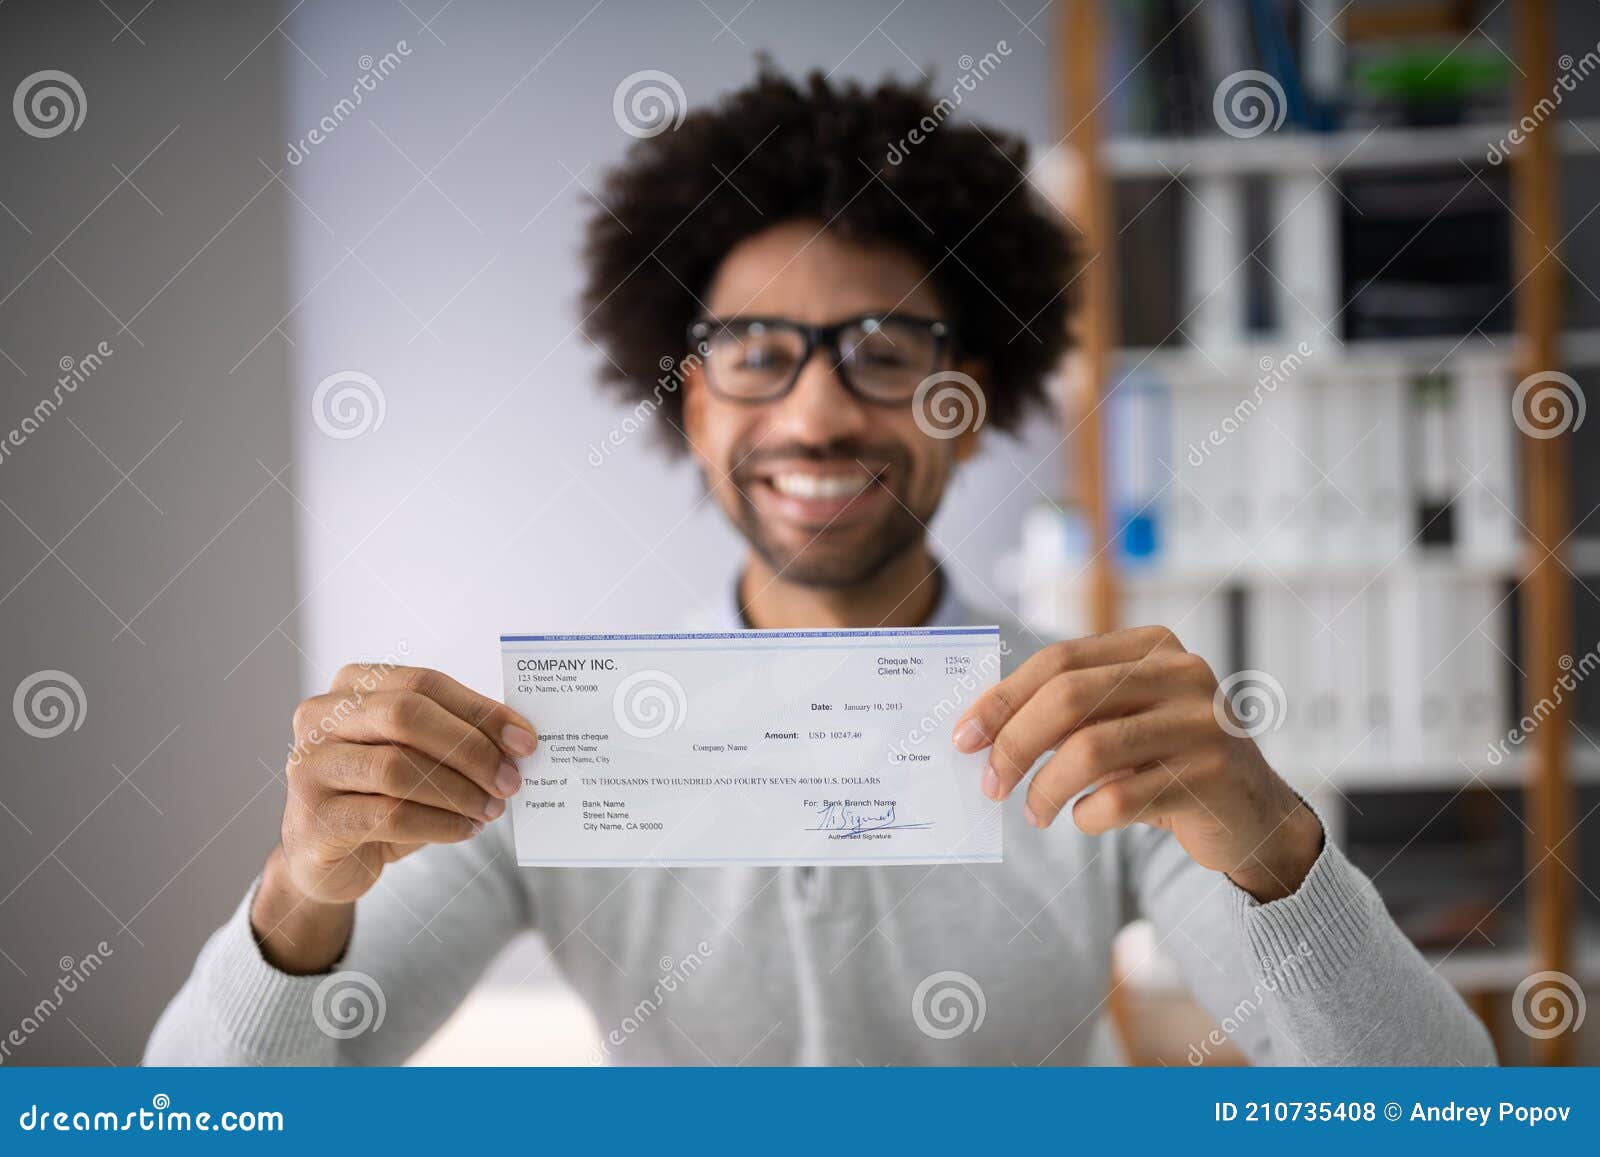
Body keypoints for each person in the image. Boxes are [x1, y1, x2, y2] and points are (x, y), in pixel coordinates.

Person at [145, 67, 1494, 1067]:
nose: (814, 413)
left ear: (972, 403)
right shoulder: (549, 748)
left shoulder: (1096, 734)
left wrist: (1271, 845)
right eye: (750, 352)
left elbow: (1432, 1117)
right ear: (688, 403)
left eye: (885, 352)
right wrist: (301, 891)